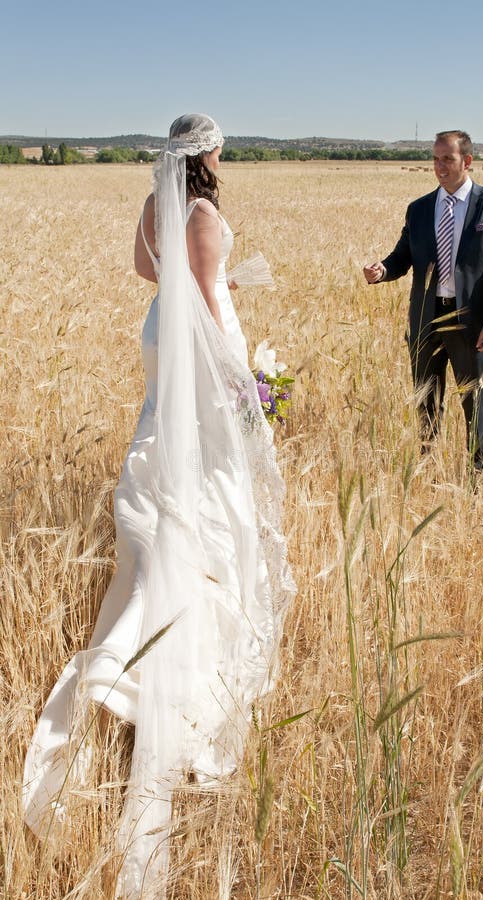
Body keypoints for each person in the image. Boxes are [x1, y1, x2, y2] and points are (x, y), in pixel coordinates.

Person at [23, 114, 295, 898]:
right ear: (205, 153)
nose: (222, 152)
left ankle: (129, 655)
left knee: (168, 490)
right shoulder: (204, 214)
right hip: (198, 353)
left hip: (159, 341)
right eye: (218, 142)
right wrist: (246, 389)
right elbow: (210, 303)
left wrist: (205, 283)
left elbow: (152, 273)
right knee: (209, 502)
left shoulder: (157, 209)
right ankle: (164, 670)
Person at [364, 130, 483, 475]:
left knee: (473, 403)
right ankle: (427, 471)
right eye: (435, 158)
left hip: (471, 322)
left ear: (467, 161)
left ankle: (476, 478)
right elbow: (403, 256)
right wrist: (383, 270)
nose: (439, 166)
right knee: (426, 402)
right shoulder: (418, 209)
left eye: (447, 158)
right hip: (425, 319)